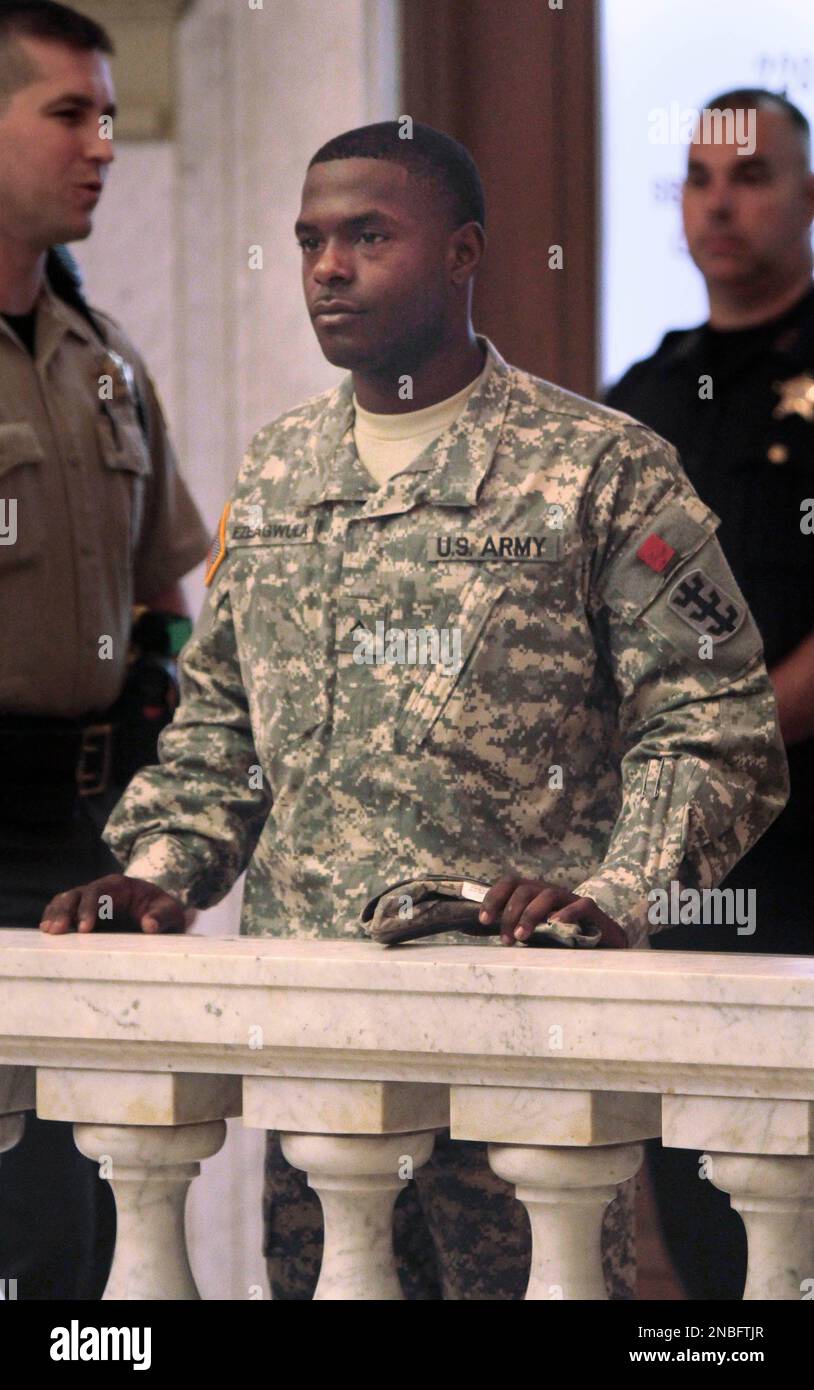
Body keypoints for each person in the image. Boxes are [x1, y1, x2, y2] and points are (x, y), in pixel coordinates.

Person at [41, 120, 788, 1301]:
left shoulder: (601, 469)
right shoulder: (281, 472)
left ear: (462, 253)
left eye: (368, 236)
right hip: (321, 1049)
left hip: (522, 1046)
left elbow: (718, 725)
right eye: (308, 242)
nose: (327, 268)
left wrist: (611, 892)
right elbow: (224, 726)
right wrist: (160, 870)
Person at [0, 1, 210, 1299]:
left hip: (80, 847)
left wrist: (153, 681)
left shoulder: (103, 364)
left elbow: (167, 592)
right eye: (68, 112)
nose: (104, 144)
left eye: (111, 115)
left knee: (69, 1232)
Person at [607, 88, 814, 1300]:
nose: (718, 201)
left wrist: (726, 734)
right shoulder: (645, 392)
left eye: (751, 175)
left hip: (805, 841)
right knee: (703, 1194)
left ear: (805, 198)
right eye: (696, 177)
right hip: (688, 861)